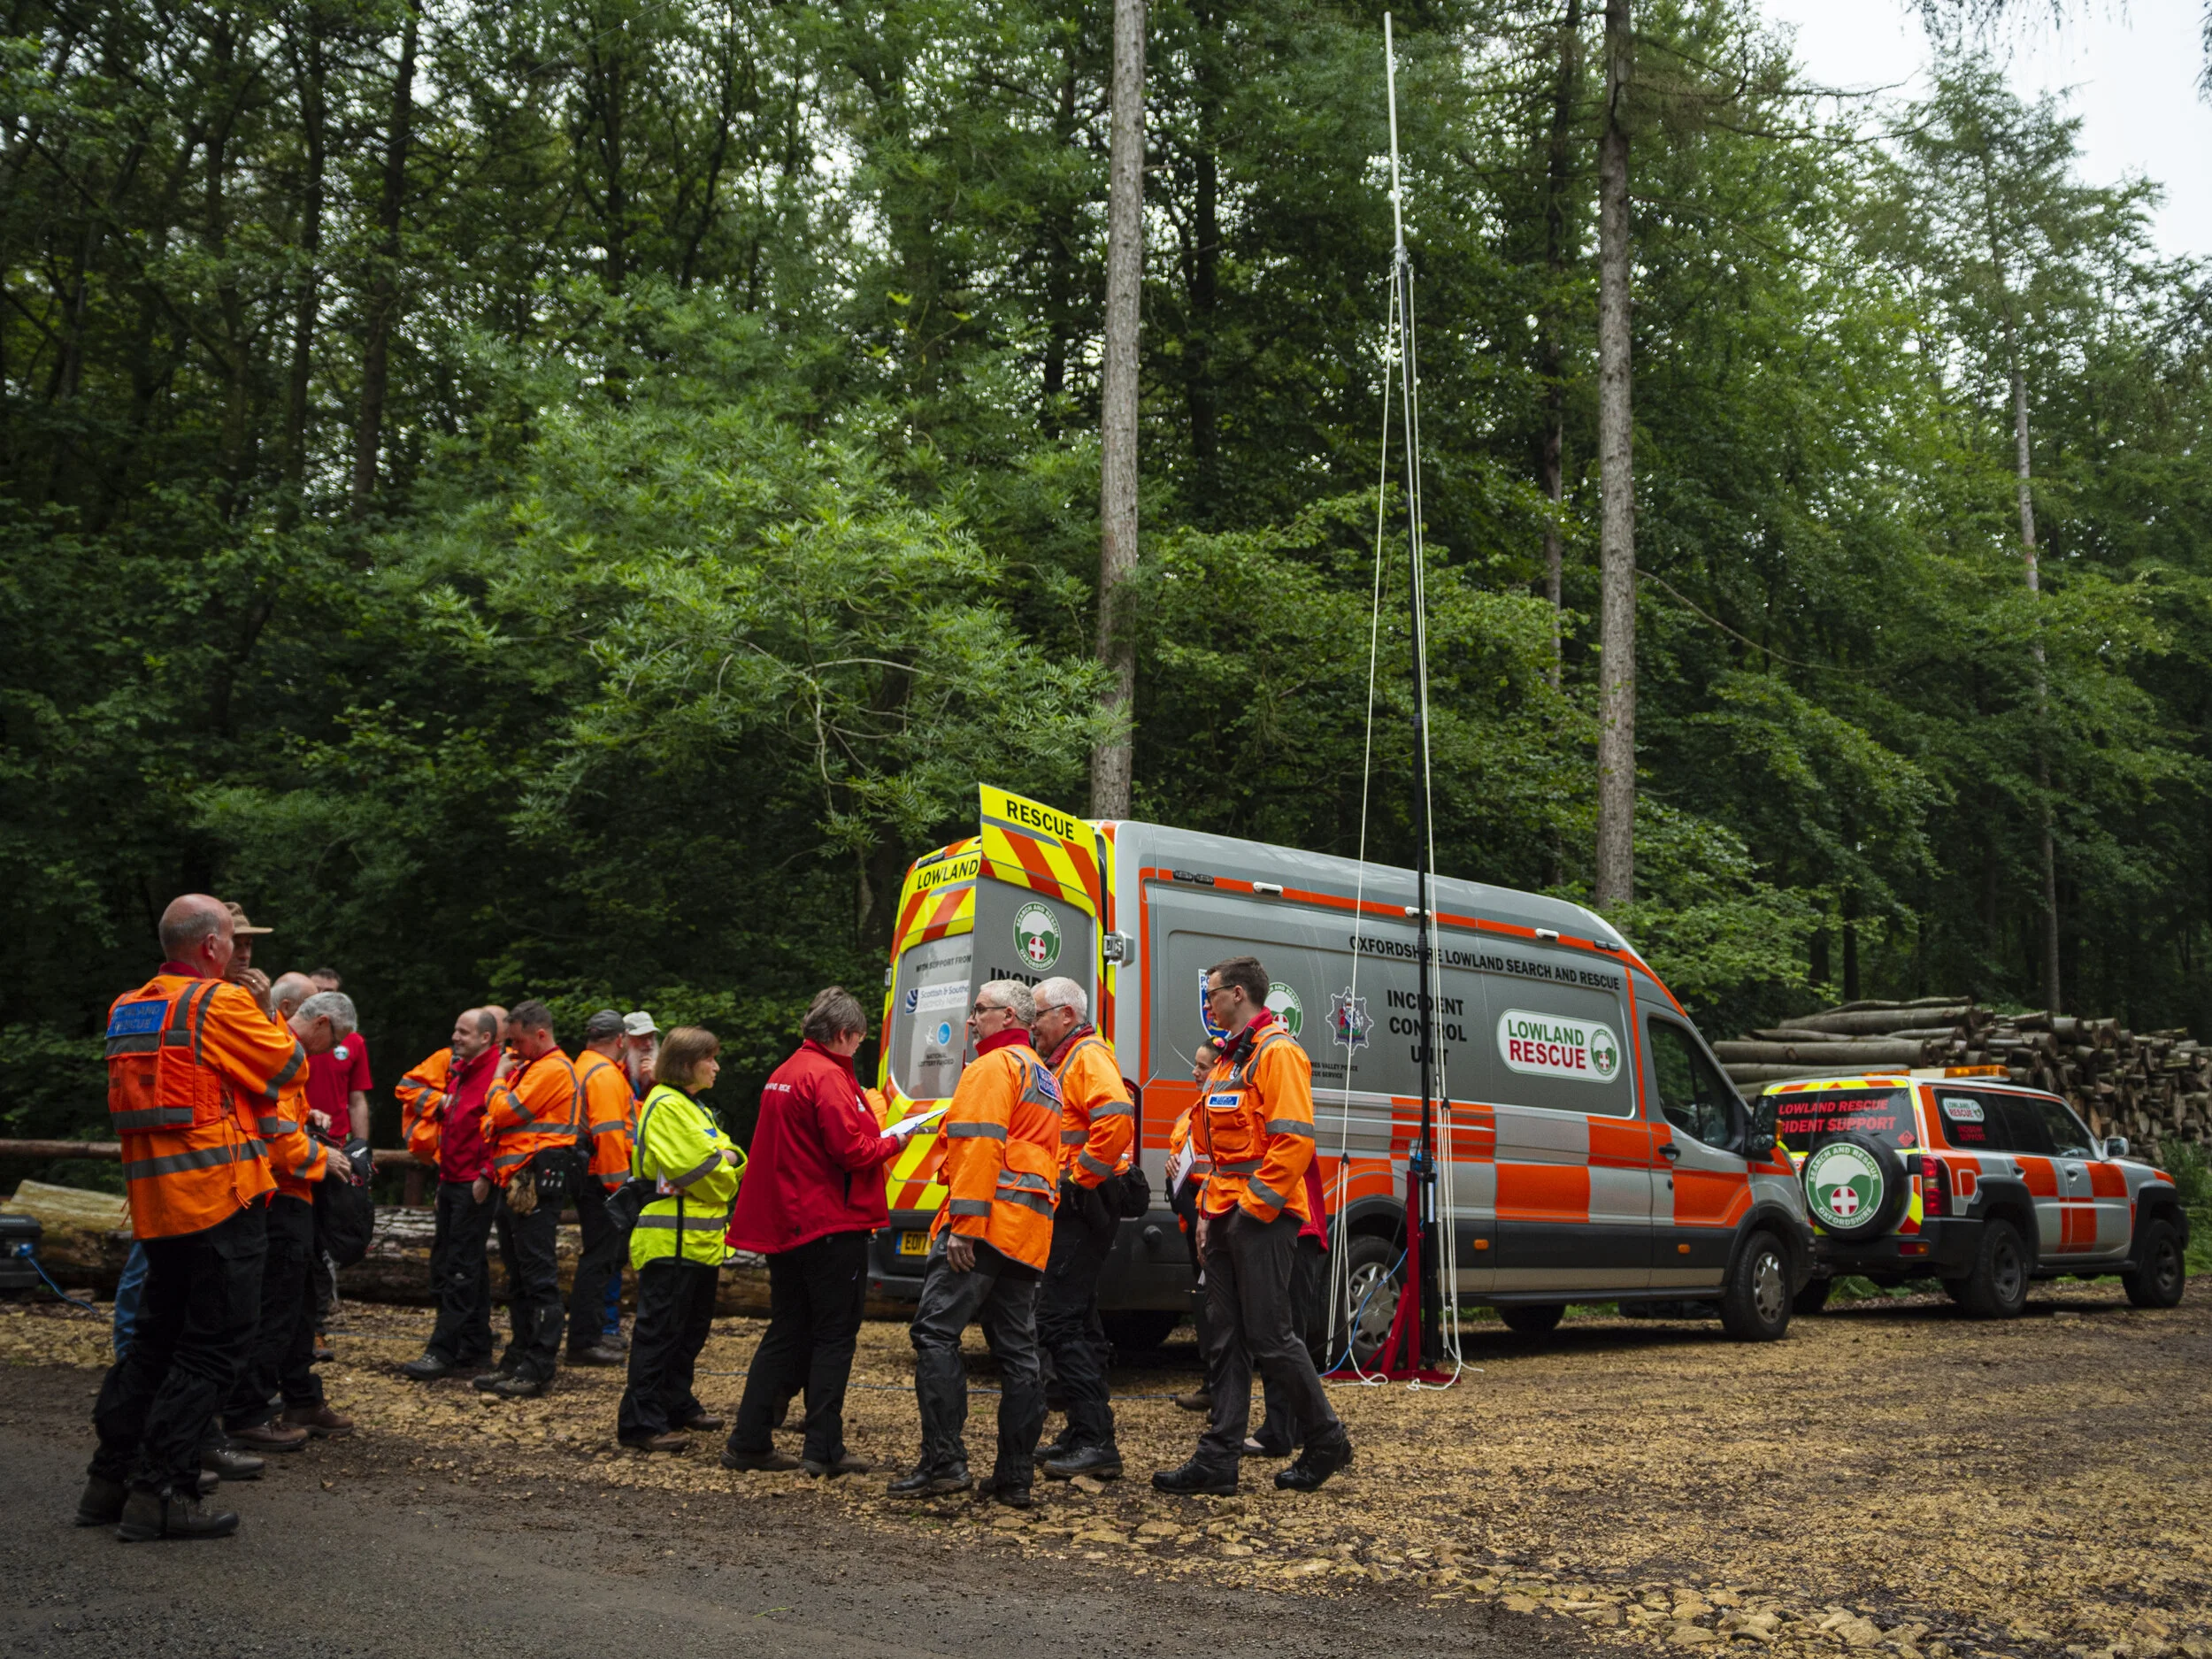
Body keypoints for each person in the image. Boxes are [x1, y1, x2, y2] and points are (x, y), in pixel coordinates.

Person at [78, 895, 303, 1540]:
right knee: (211, 1348)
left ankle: (109, 1479)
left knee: (152, 1341)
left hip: (157, 1204)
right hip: (220, 1201)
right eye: (232, 939)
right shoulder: (221, 1002)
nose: (236, 951)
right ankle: (163, 1490)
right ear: (211, 947)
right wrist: (266, 1011)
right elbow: (290, 1067)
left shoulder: (131, 1007)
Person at [1154, 955, 1353, 1496]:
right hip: (1224, 1216)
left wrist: (1252, 1211)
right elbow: (1218, 1152)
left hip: (1260, 1218)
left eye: (1211, 992)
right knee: (1226, 1338)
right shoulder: (1227, 1060)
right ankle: (1219, 1458)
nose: (1207, 1002)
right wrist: (1208, 1219)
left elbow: (1294, 1141)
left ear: (1238, 994)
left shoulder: (1277, 1053)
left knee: (1269, 1334)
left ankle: (1326, 1438)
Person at [723, 987, 910, 1476]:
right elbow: (853, 1151)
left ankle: (750, 1439)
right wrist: (896, 1140)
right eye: (859, 1040)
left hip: (789, 1223)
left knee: (787, 1331)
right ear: (844, 1034)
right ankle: (822, 1448)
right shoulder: (827, 1077)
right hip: (829, 1223)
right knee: (834, 1336)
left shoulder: (785, 1073)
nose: (858, 1049)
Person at [890, 979, 1060, 1509]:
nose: (971, 1019)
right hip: (1024, 1233)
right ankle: (1014, 1478)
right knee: (1018, 1352)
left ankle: (944, 1463)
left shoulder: (992, 1067)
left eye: (980, 1010)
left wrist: (965, 1224)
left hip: (983, 1228)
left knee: (935, 1334)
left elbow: (980, 1146)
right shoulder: (1043, 1074)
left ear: (1008, 1015)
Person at [222, 991, 359, 1451]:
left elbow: (284, 1122)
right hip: (276, 1198)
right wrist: (324, 1155)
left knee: (300, 1305)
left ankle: (299, 1397)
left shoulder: (287, 1049)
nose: (332, 1050)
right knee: (277, 1307)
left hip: (292, 1198)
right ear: (321, 1023)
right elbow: (275, 1139)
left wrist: (309, 1120)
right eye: (335, 1039)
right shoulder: (278, 1050)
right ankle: (249, 1412)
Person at [1028, 976, 1136, 1481]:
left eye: (1040, 1016)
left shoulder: (1087, 1055)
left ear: (1067, 1015)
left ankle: (1094, 1439)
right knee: (1078, 1319)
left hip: (1084, 1201)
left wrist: (1078, 1179)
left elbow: (1116, 1119)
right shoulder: (1069, 1058)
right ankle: (1085, 1429)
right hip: (1079, 1199)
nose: (1034, 1027)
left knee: (1058, 1320)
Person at [618, 1026, 743, 1452]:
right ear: (688, 1064)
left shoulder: (693, 1107)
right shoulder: (668, 1105)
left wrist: (725, 1161)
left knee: (690, 1332)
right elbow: (702, 1171)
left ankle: (675, 1403)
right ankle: (641, 1423)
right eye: (710, 1059)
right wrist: (723, 1165)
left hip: (698, 1244)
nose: (717, 1067)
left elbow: (732, 1154)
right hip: (671, 1242)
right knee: (659, 1333)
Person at [477, 999, 583, 1398]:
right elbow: (492, 1121)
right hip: (516, 1180)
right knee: (518, 1276)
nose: (511, 1051)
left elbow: (503, 1113)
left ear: (540, 1034)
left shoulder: (552, 1068)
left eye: (517, 1041)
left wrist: (498, 1081)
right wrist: (498, 1105)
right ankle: (519, 1354)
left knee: (537, 1276)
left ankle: (539, 1364)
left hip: (537, 1181)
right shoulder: (531, 1067)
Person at [396, 1008, 502, 1380]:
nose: (455, 1037)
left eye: (464, 1032)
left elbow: (497, 1127)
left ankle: (442, 1351)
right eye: (455, 1030)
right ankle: (476, 1347)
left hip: (475, 1181)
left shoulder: (495, 1073)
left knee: (459, 1265)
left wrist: (486, 1174)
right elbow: (452, 1129)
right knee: (458, 1263)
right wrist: (443, 1180)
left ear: (485, 1038)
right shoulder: (460, 1069)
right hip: (453, 1178)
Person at [568, 1010, 636, 1367]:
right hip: (602, 1179)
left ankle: (589, 1336)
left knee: (596, 1259)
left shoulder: (583, 1065)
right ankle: (585, 1341)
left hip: (588, 1174)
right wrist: (621, 1187)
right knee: (599, 1260)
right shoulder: (605, 1074)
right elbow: (609, 1133)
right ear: (620, 1040)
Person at [1164, 1041, 1217, 1416]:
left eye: (1202, 1067)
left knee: (1220, 1310)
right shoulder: (1189, 1115)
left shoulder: (1219, 1114)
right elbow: (1177, 1171)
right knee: (1203, 1308)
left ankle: (1222, 1391)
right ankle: (1211, 1384)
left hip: (1211, 1221)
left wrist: (1202, 1218)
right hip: (1192, 1221)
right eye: (1195, 1066)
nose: (1195, 1073)